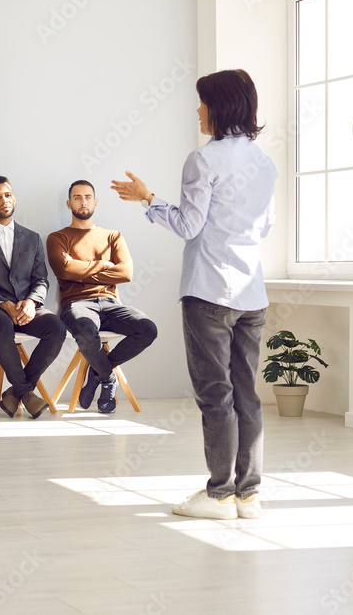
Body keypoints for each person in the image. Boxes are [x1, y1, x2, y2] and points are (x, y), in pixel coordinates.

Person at [111, 69, 276, 521]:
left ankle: (219, 494)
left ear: (218, 107)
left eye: (201, 102)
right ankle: (249, 494)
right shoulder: (265, 163)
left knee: (215, 394)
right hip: (251, 293)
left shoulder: (202, 161)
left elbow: (188, 226)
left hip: (208, 292)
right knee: (247, 394)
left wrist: (148, 200)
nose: (197, 110)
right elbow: (264, 227)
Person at [46, 180, 158, 413]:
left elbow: (126, 274)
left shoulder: (113, 236)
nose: (83, 201)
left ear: (95, 202)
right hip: (77, 305)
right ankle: (108, 379)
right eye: (77, 197)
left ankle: (97, 373)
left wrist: (81, 272)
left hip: (110, 304)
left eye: (87, 197)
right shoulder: (57, 237)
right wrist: (103, 266)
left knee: (148, 329)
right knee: (86, 329)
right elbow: (64, 271)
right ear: (69, 203)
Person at [0, 177, 65, 419]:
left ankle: (16, 392)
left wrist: (30, 303)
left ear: (14, 198)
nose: (4, 200)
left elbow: (41, 280)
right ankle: (26, 392)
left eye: (7, 195)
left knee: (57, 328)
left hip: (25, 306)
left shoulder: (32, 237)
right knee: (2, 323)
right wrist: (3, 304)